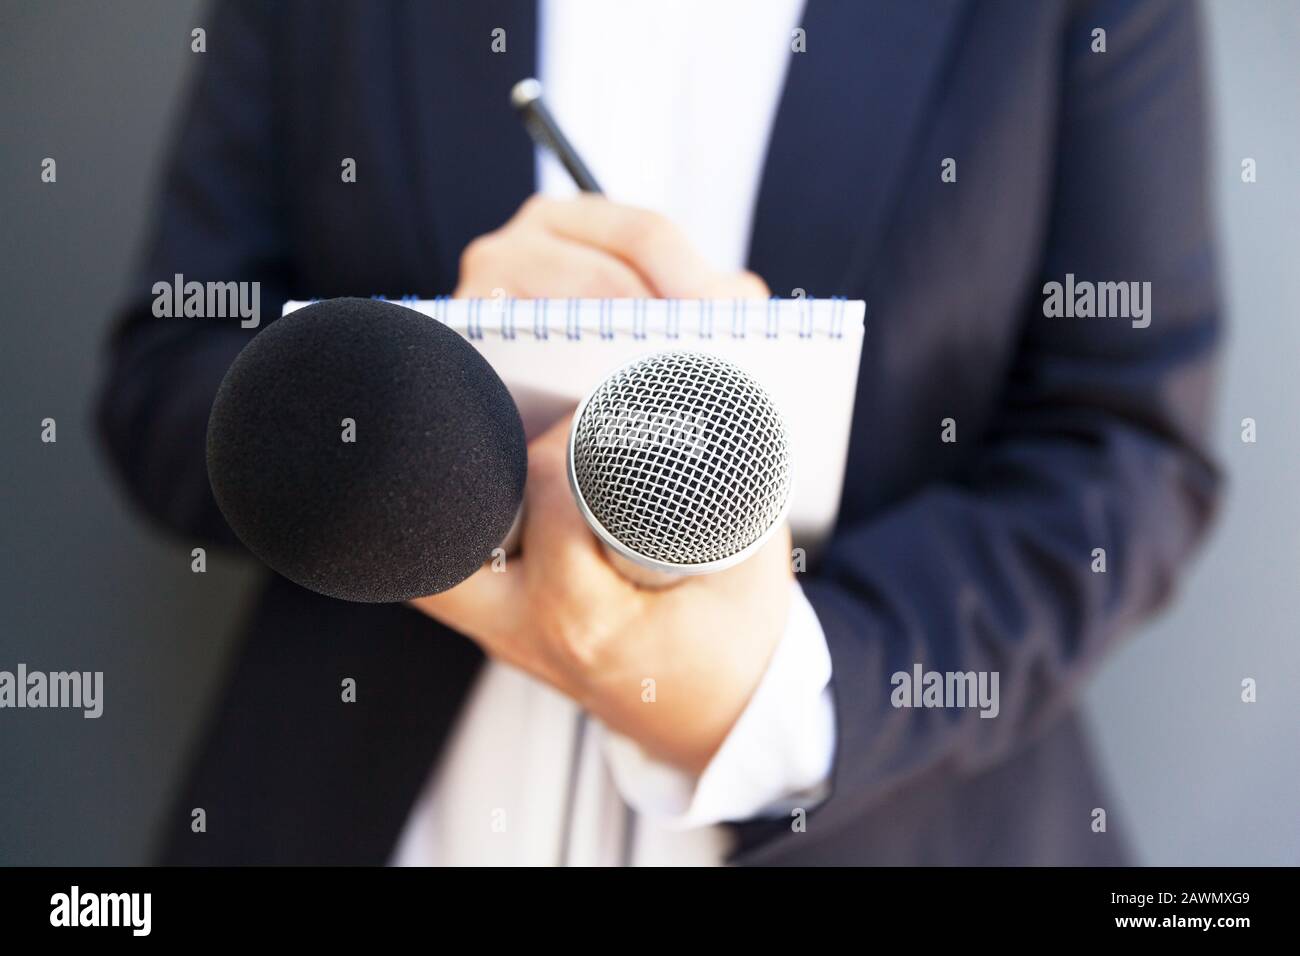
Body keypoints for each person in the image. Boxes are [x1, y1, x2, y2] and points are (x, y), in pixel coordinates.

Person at [96, 0, 1221, 865]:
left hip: (890, 809)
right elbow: (165, 376)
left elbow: (1126, 449)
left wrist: (777, 694)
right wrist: (427, 379)